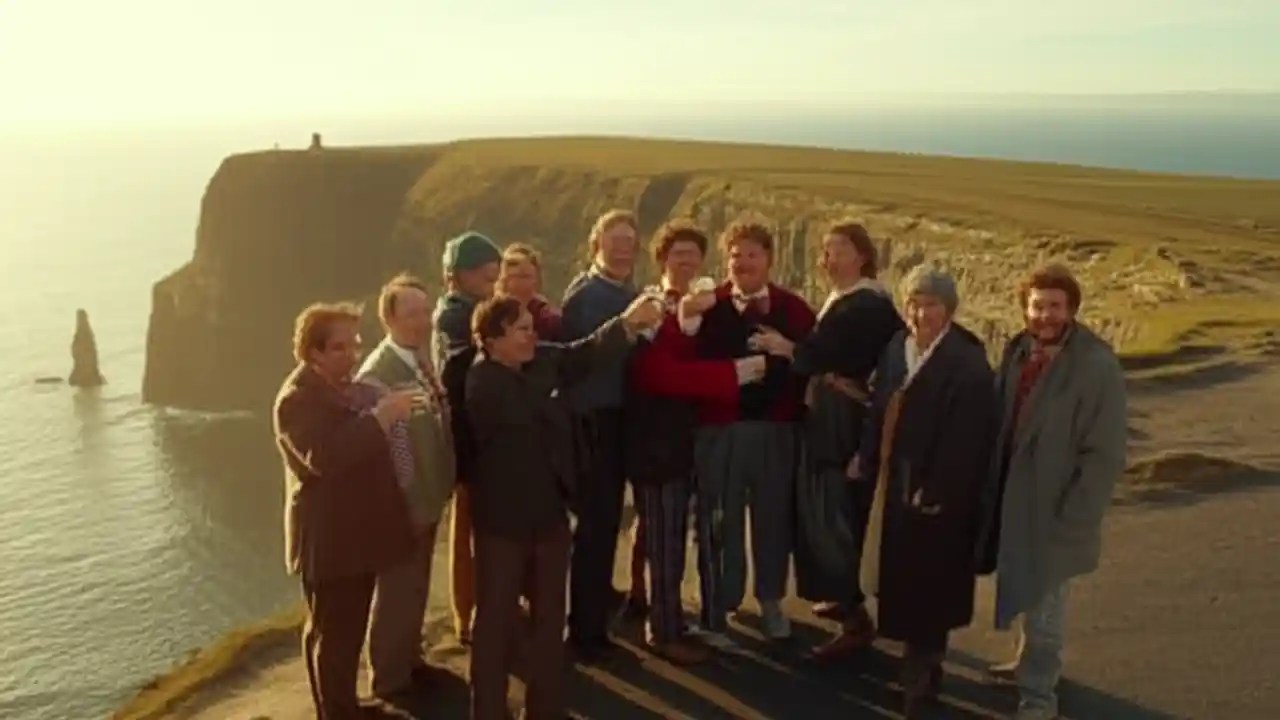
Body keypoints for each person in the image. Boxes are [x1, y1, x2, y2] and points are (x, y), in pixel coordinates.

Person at [466, 293, 664, 720]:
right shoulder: (484, 382)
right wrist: (560, 392)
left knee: (550, 620)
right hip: (504, 525)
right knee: (496, 624)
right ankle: (487, 711)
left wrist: (625, 325)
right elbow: (535, 407)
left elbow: (581, 354)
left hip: (550, 519)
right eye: (521, 329)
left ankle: (544, 709)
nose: (531, 336)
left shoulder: (537, 362)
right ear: (492, 340)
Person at [976, 263, 1127, 720]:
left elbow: (1105, 451)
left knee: (1046, 607)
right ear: (1025, 308)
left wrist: (1077, 515)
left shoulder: (1095, 365)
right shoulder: (1018, 350)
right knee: (1024, 585)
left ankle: (1040, 696)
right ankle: (1026, 666)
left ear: (1072, 309)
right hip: (1014, 496)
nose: (1045, 315)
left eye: (1055, 306)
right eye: (1037, 305)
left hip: (1057, 504)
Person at [750, 221, 904, 660]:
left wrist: (785, 347)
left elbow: (821, 355)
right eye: (826, 250)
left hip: (841, 419)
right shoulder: (853, 301)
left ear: (862, 255)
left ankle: (856, 620)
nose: (829, 258)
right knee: (828, 505)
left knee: (832, 510)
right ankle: (842, 595)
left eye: (839, 250)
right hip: (833, 414)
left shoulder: (865, 306)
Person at [853, 266, 997, 717]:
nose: (921, 313)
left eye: (931, 304)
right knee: (904, 578)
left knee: (932, 585)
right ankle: (917, 668)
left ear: (949, 309)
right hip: (896, 481)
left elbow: (968, 437)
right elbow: (878, 406)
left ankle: (922, 678)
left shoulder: (967, 361)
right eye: (914, 303)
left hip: (940, 496)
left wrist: (935, 489)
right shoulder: (898, 347)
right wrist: (866, 454)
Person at [272, 302, 422, 719]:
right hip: (330, 541)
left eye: (354, 344)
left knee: (347, 629)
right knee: (331, 635)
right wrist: (382, 418)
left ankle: (345, 705)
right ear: (312, 352)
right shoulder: (297, 400)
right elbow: (325, 457)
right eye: (339, 348)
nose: (352, 354)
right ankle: (336, 713)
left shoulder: (345, 387)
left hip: (355, 536)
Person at [679, 219, 816, 642]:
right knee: (721, 516)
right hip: (720, 429)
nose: (743, 263)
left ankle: (772, 599)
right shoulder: (711, 304)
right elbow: (687, 359)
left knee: (773, 518)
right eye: (735, 255)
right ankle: (724, 597)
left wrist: (789, 350)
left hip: (775, 431)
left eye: (752, 254)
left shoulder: (794, 309)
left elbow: (817, 364)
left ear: (769, 259)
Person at [627, 219, 753, 663]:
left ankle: (671, 619)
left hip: (689, 442)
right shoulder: (649, 306)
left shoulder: (708, 304)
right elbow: (657, 375)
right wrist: (731, 377)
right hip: (656, 442)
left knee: (677, 535)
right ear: (662, 259)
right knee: (664, 538)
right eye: (677, 253)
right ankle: (662, 631)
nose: (686, 261)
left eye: (693, 254)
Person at [353, 274, 456, 701]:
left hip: (428, 498)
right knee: (396, 590)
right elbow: (391, 452)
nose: (424, 321)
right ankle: (390, 680)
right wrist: (410, 501)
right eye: (412, 313)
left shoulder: (420, 359)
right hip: (404, 504)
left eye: (426, 311)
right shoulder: (378, 375)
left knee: (415, 584)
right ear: (389, 319)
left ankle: (410, 661)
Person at [560, 209, 643, 658]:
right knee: (596, 526)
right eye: (615, 241)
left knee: (603, 523)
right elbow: (582, 361)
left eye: (630, 241)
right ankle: (586, 633)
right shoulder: (590, 295)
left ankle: (591, 611)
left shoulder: (618, 289)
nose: (624, 248)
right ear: (596, 245)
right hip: (594, 421)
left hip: (609, 419)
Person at [432, 230, 502, 645]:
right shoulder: (458, 317)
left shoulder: (458, 310)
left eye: (492, 276)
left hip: (473, 431)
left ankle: (478, 608)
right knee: (471, 528)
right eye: (481, 275)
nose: (489, 283)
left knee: (477, 526)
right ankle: (470, 613)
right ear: (456, 276)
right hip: (470, 435)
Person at [498, 242, 563, 340]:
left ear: (536, 279)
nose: (516, 281)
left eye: (524, 276)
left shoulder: (548, 320)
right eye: (511, 276)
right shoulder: (490, 315)